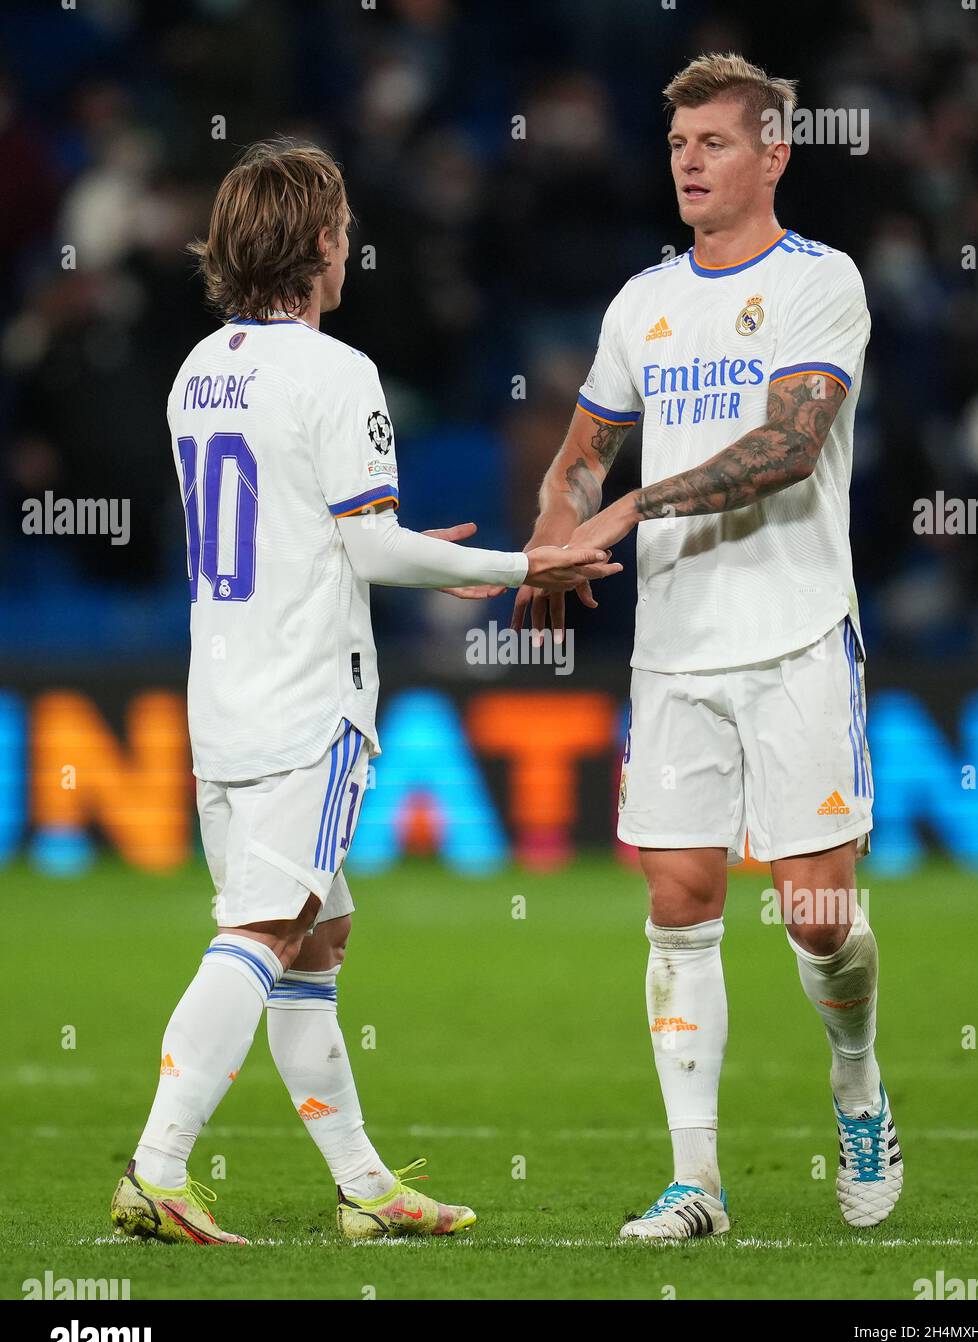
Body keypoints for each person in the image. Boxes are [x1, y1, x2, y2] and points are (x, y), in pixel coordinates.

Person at [111, 139, 619, 1245]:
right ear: (318, 243)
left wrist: (373, 543)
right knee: (262, 930)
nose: (350, 247)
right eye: (340, 229)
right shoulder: (338, 374)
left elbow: (311, 532)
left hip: (222, 693)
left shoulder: (197, 369)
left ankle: (365, 1187)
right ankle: (158, 1166)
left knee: (317, 939)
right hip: (305, 701)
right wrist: (521, 565)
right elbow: (372, 553)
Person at [511, 54, 902, 1237]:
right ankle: (696, 1182)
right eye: (678, 144)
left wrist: (631, 507)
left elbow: (785, 447)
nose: (688, 162)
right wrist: (552, 521)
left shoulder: (818, 283)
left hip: (790, 633)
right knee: (677, 903)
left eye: (714, 143)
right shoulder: (641, 302)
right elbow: (582, 450)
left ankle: (856, 1082)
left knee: (817, 919)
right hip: (674, 649)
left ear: (771, 154)